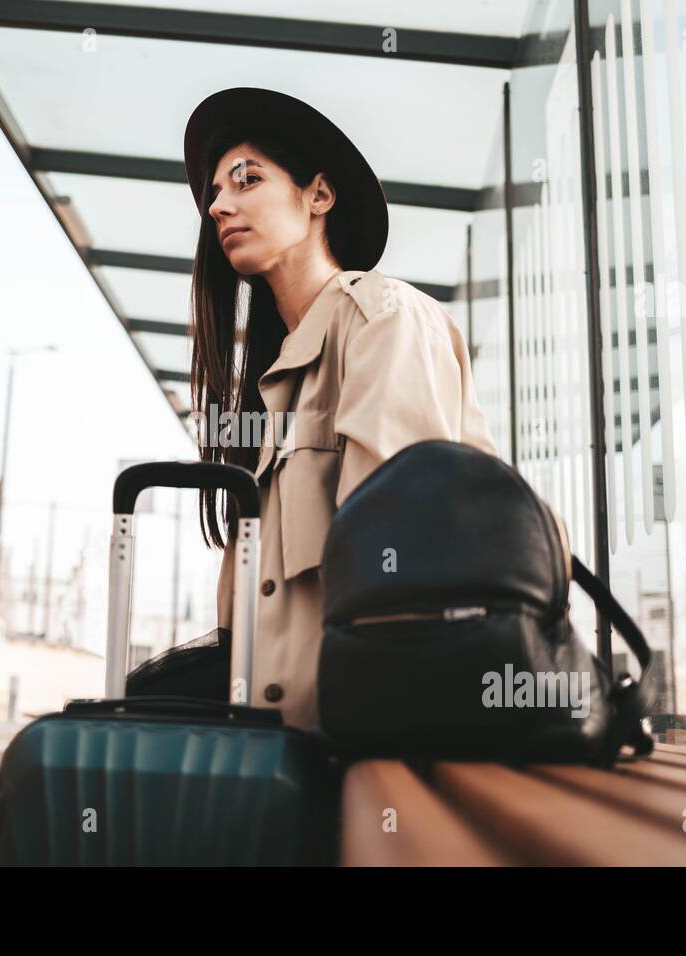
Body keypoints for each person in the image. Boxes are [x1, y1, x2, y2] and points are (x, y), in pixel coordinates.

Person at [183, 87, 568, 734]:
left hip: (366, 746)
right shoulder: (276, 378)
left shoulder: (383, 321)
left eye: (246, 179)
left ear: (319, 196)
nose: (219, 204)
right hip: (282, 748)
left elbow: (400, 568)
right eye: (215, 192)